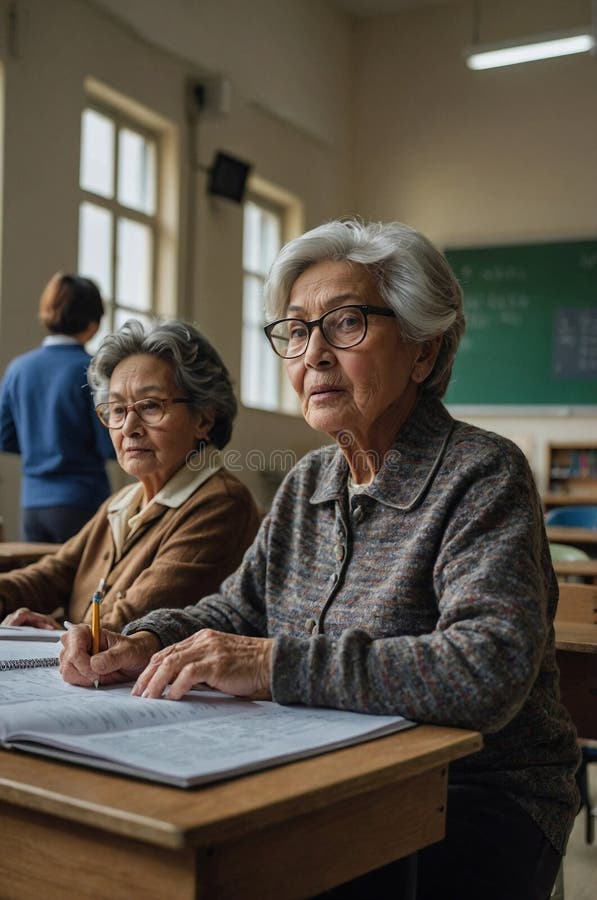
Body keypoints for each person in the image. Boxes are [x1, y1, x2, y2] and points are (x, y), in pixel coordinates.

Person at [59, 221, 579, 900]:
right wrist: (145, 638)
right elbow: (238, 608)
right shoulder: (310, 478)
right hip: (323, 766)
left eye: (346, 324)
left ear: (422, 351)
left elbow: (483, 672)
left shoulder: (480, 472)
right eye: (296, 332)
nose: (314, 355)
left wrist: (268, 663)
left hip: (473, 790)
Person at [0, 318, 260, 631]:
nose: (129, 428)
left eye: (150, 406)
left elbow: (136, 623)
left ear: (204, 418)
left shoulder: (221, 504)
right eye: (118, 410)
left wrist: (65, 635)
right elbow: (51, 573)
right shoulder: (124, 501)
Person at [0, 272, 116, 542]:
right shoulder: (92, 369)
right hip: (82, 499)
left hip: (32, 504)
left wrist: (38, 444)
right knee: (84, 582)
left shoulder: (18, 368)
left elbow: (4, 436)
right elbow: (108, 443)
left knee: (39, 582)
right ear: (93, 323)